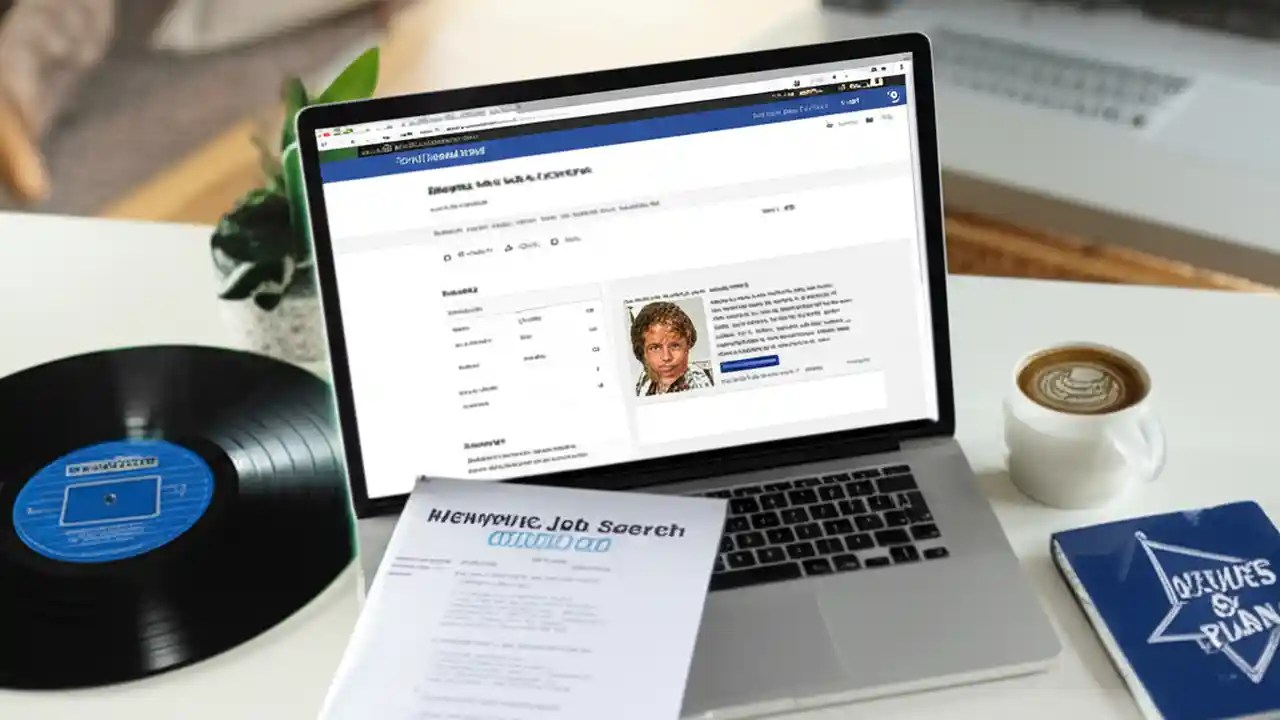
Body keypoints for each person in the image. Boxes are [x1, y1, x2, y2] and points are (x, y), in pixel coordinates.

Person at [630, 301, 714, 396]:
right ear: (643, 352)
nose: (666, 357)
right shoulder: (644, 382)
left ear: (687, 346)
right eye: (655, 348)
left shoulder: (703, 384)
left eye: (675, 346)